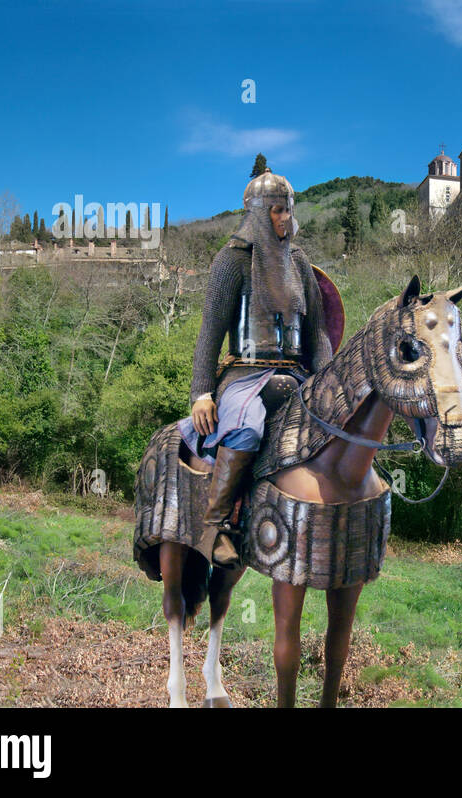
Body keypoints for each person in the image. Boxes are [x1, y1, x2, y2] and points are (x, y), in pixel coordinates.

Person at [178, 168, 334, 568]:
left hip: (296, 376)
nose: (285, 218)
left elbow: (315, 333)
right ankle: (215, 529)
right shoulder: (231, 260)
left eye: (289, 210)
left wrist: (330, 383)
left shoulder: (299, 262)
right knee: (245, 428)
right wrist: (201, 392)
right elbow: (209, 333)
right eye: (277, 210)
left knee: (336, 431)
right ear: (258, 213)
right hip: (244, 376)